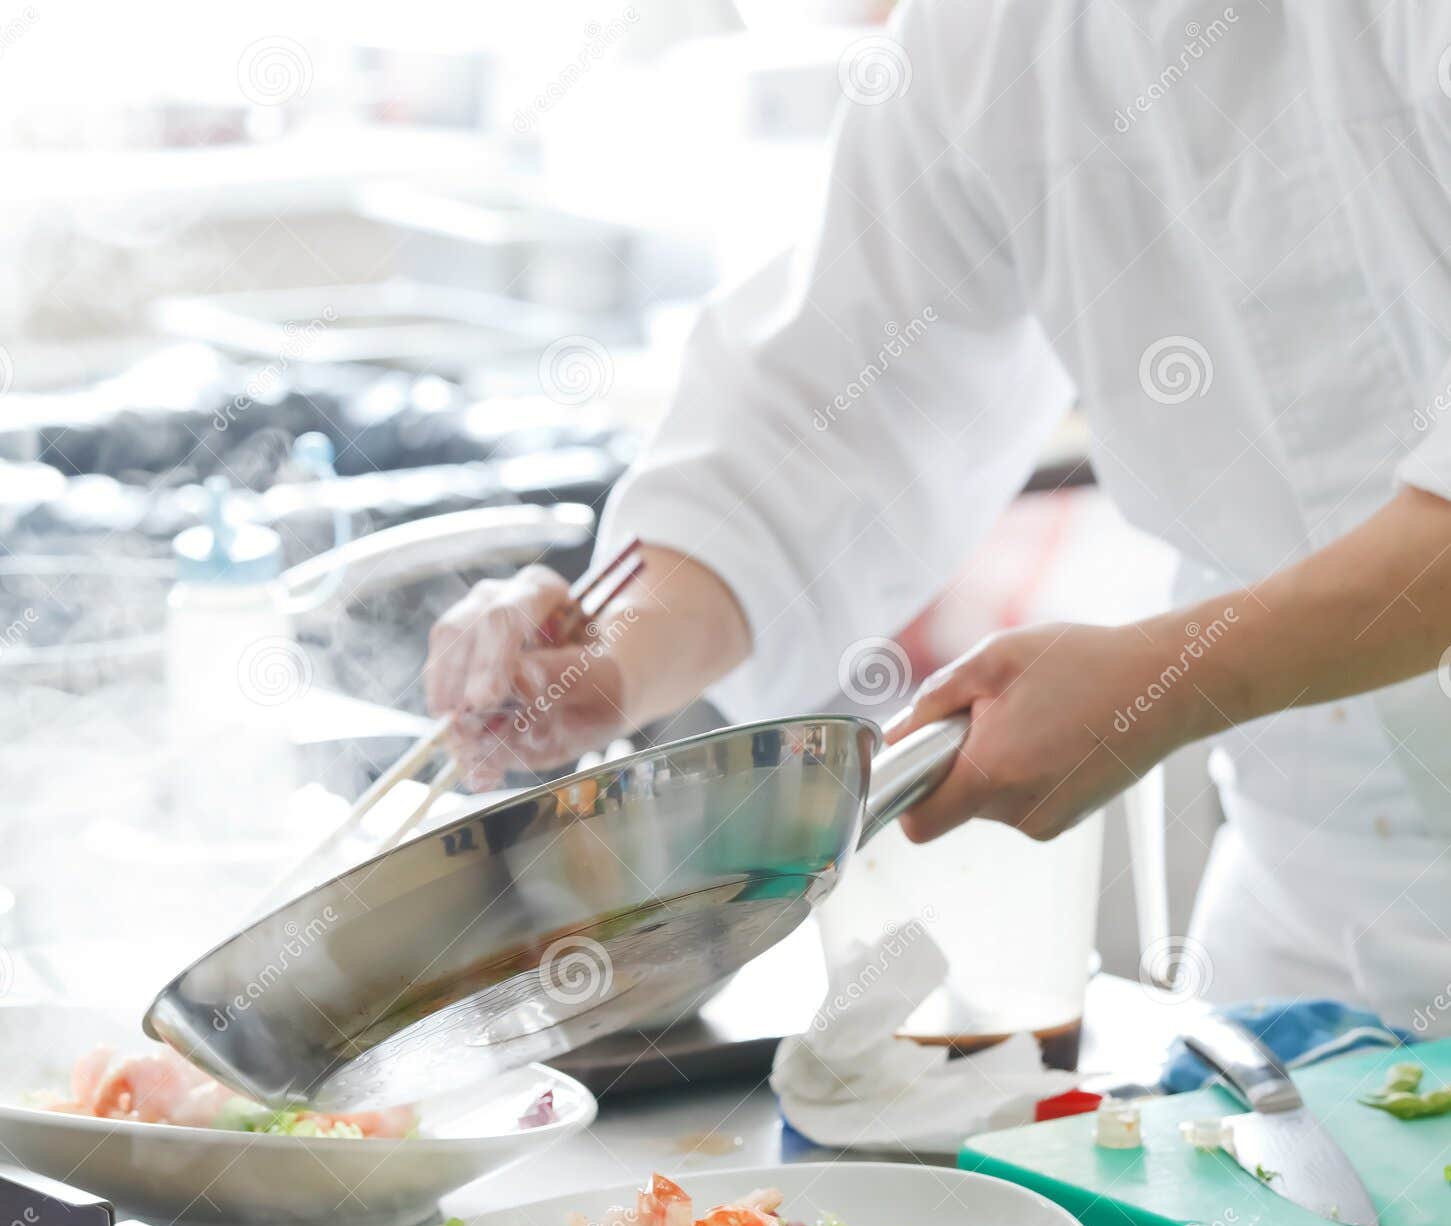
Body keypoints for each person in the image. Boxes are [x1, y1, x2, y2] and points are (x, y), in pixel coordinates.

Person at [428, 0, 1451, 1025]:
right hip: (1304, 911)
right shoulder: (994, 30)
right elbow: (815, 426)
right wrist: (613, 660)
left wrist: (1166, 677)